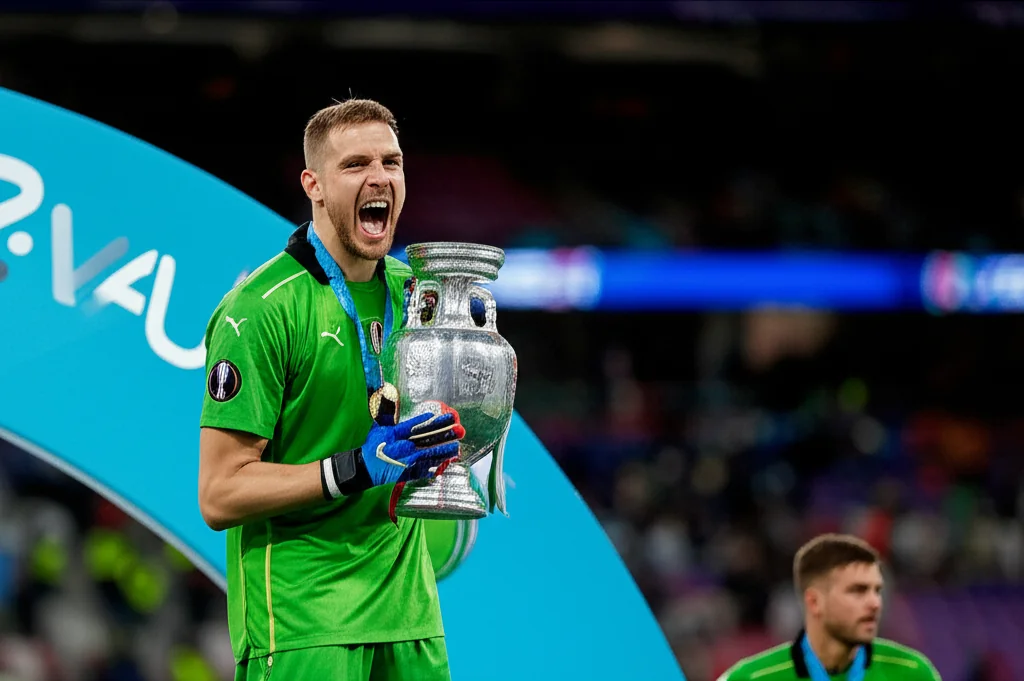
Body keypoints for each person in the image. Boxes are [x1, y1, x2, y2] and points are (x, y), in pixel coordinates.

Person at [197, 98, 464, 681]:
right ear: (312, 184)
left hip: (410, 616)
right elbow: (219, 493)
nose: (379, 178)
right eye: (356, 164)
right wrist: (349, 470)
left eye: (391, 162)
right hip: (303, 622)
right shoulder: (261, 310)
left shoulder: (420, 296)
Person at [718, 533, 941, 681]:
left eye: (877, 591)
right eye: (857, 591)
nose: (874, 603)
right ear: (814, 602)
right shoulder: (752, 677)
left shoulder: (913, 672)